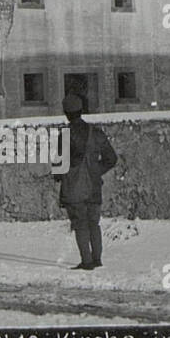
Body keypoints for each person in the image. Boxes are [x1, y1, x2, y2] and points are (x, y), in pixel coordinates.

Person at [55, 93, 118, 269]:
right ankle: (97, 259)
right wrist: (96, 170)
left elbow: (59, 166)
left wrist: (59, 175)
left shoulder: (65, 135)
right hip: (94, 186)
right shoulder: (96, 133)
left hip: (74, 188)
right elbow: (111, 158)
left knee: (80, 224)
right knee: (94, 223)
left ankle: (87, 261)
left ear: (66, 113)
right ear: (81, 110)